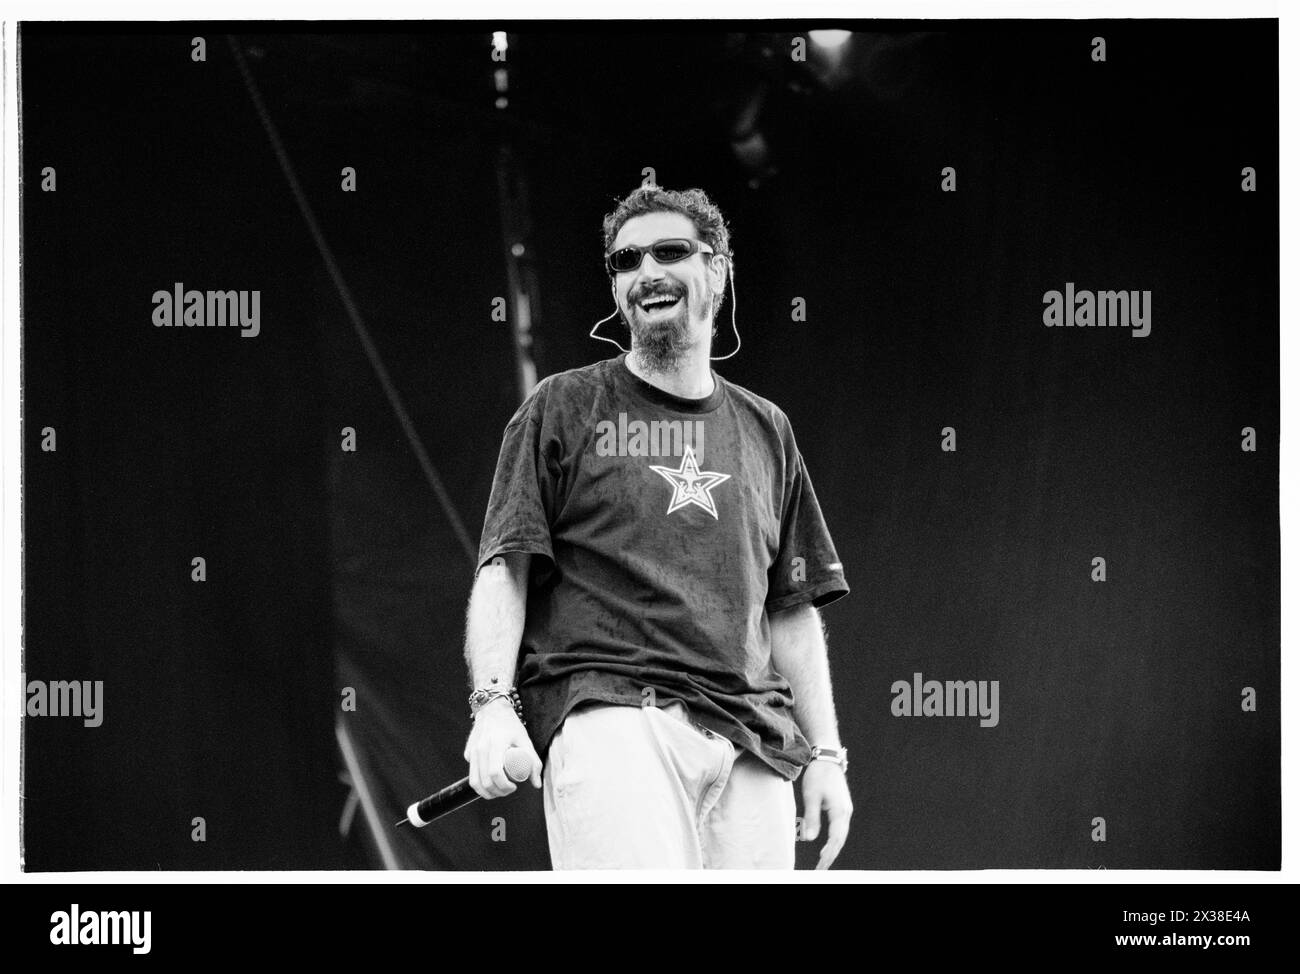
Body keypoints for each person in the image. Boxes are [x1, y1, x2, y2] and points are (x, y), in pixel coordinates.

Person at [462, 185, 853, 869]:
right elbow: (505, 565)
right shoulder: (563, 406)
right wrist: (493, 705)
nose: (645, 272)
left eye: (668, 252)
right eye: (625, 261)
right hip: (615, 711)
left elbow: (791, 608)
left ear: (718, 269)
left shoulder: (766, 429)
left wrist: (824, 754)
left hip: (753, 739)